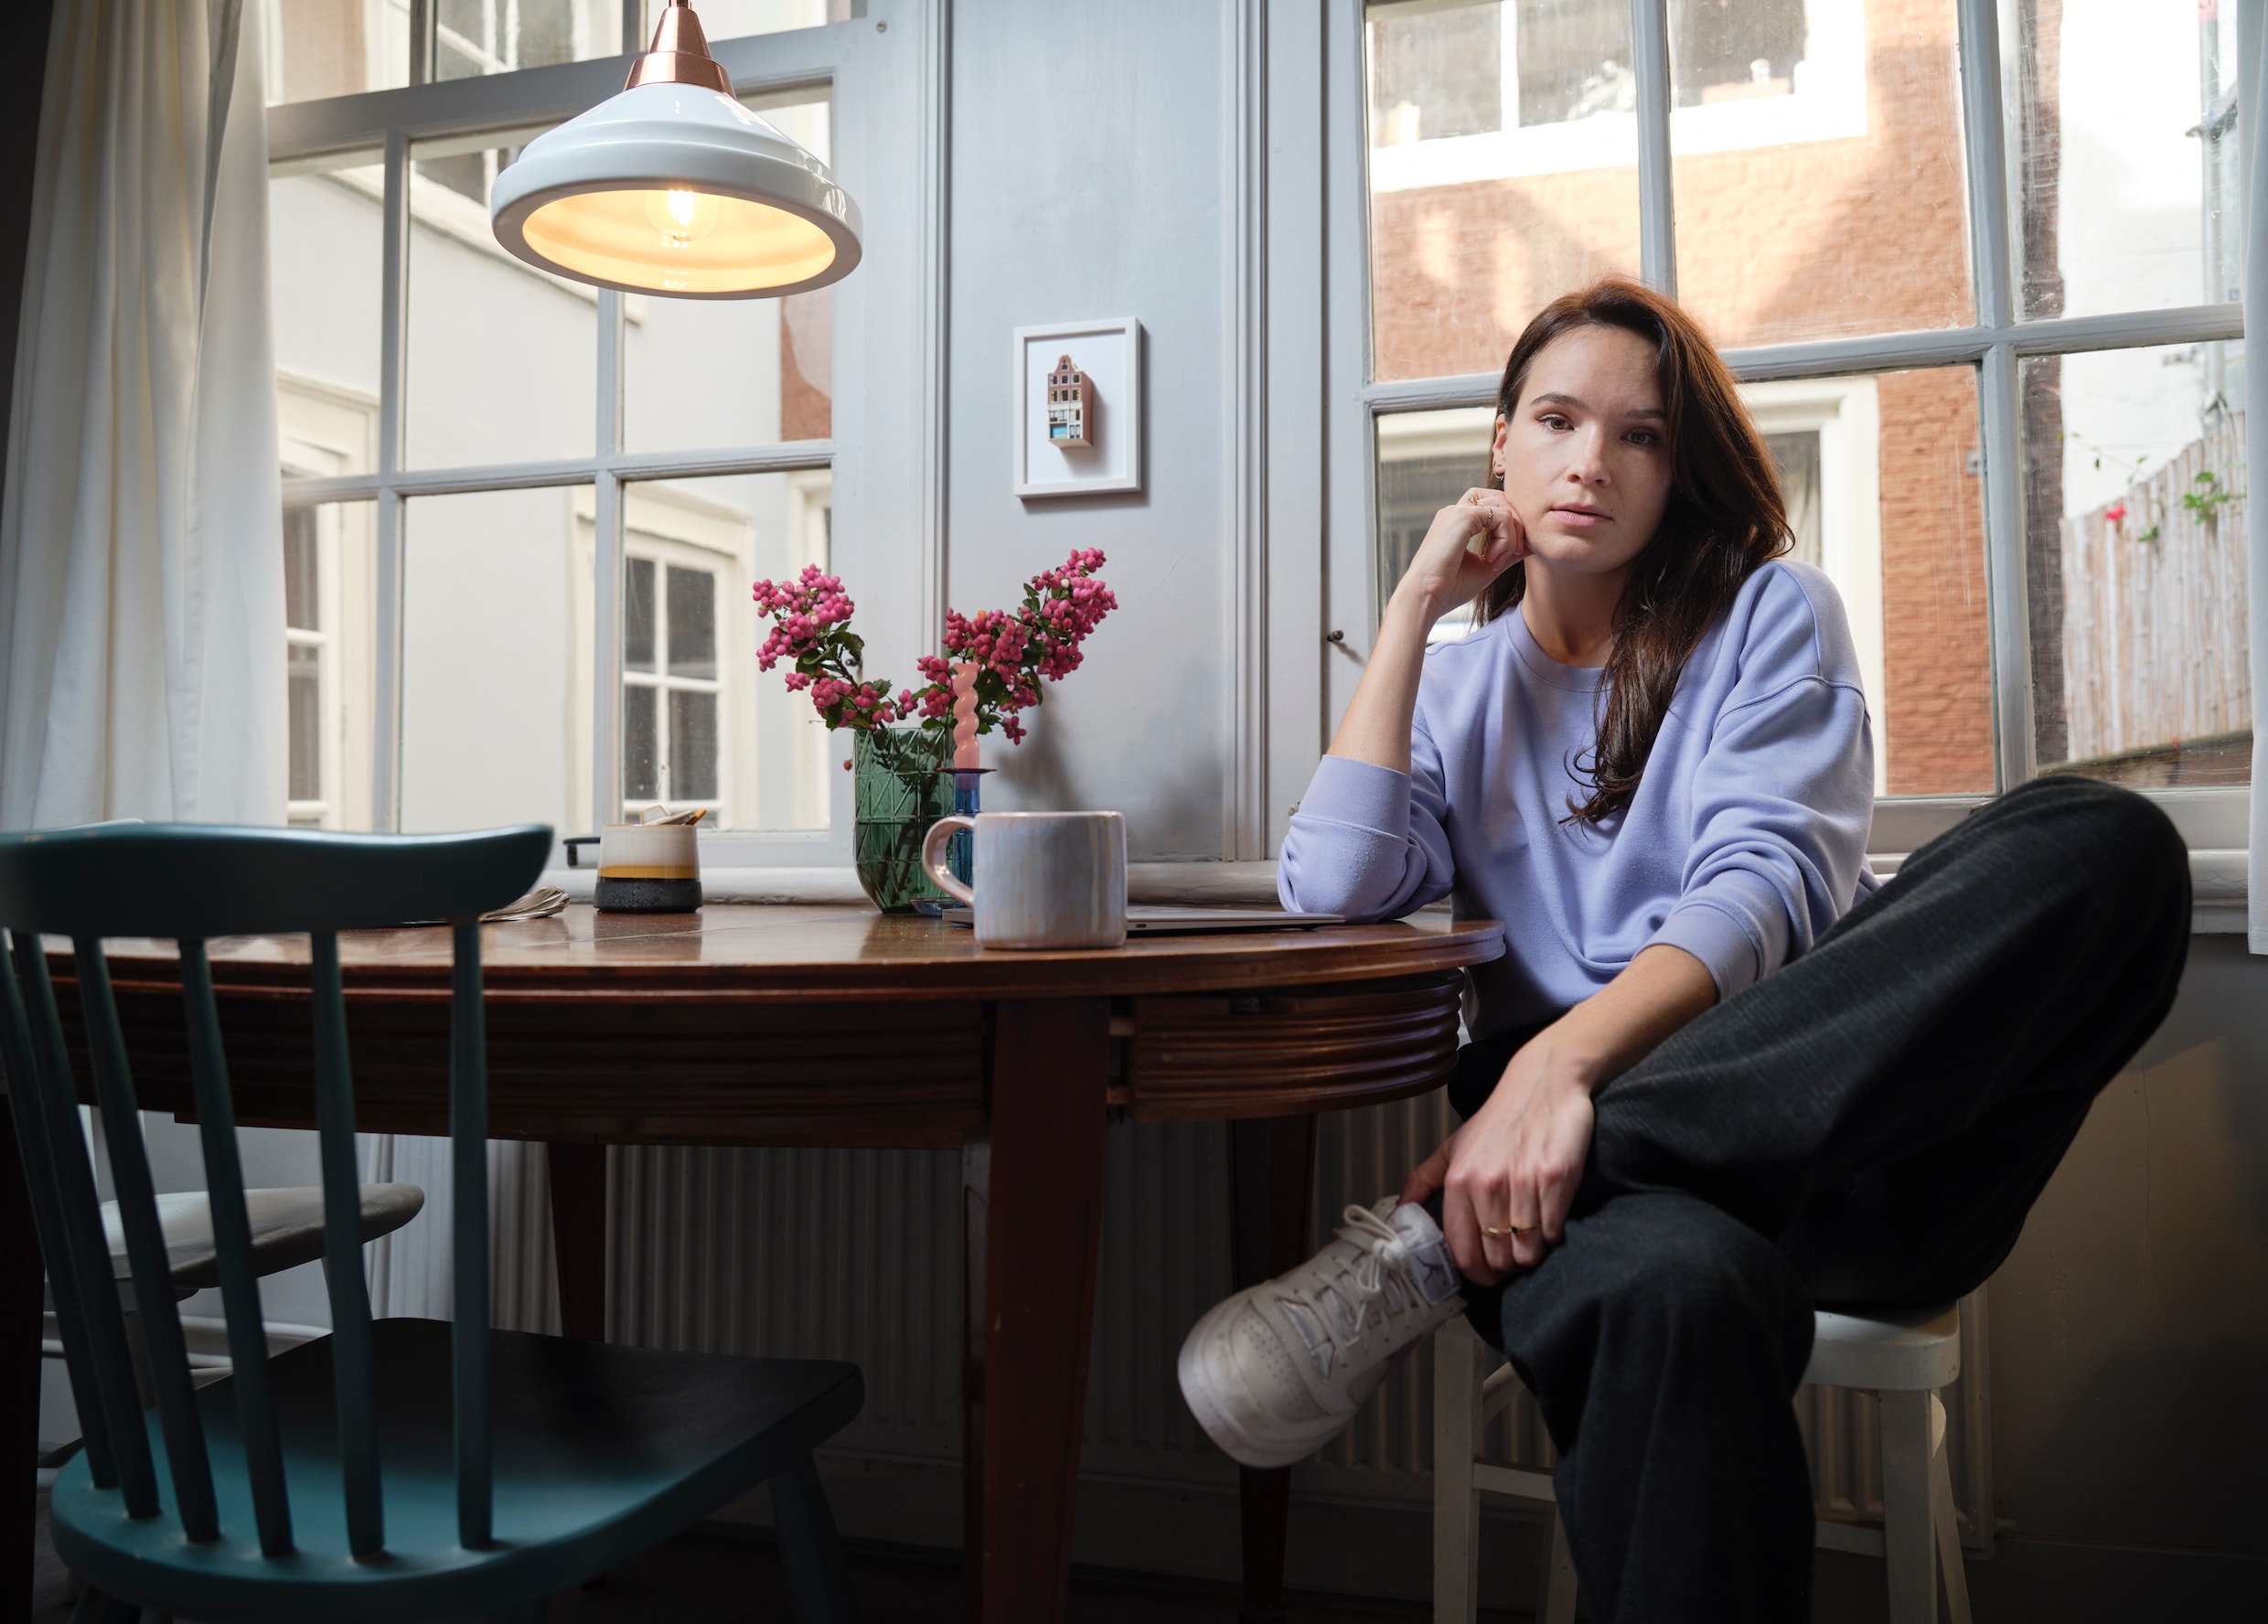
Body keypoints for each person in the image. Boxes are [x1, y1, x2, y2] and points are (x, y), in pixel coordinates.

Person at [1175, 278, 2190, 1621]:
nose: (1592, 461)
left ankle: (1431, 1239)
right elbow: (1335, 881)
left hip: (1830, 1155)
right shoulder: (1458, 690)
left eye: (1641, 436)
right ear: (1498, 446)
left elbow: (1765, 888)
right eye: (1555, 420)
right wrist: (1418, 604)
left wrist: (1558, 1077)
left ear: (1680, 468)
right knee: (1679, 1294)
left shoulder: (1771, 614)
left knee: (2104, 844)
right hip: (1571, 1213)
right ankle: (1513, 1198)